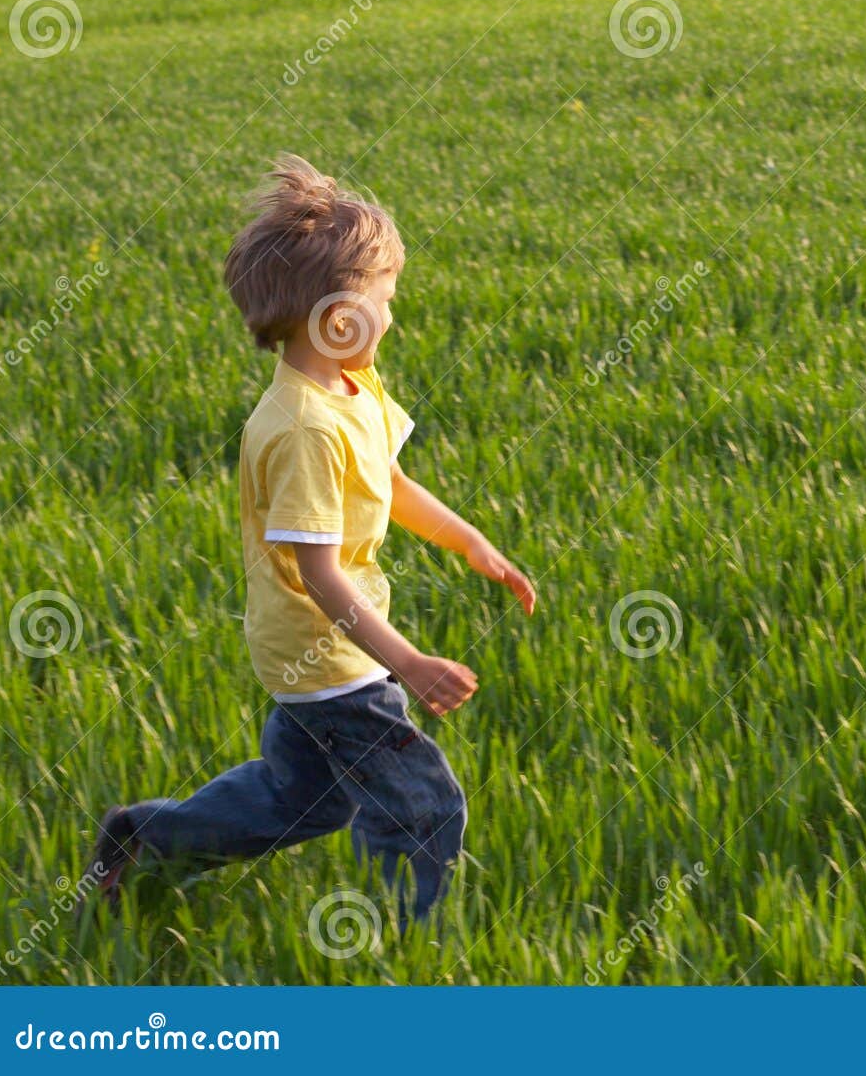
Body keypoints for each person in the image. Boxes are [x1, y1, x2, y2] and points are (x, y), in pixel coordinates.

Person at [84, 154, 536, 932]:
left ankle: (143, 836)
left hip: (318, 655)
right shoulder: (302, 428)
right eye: (382, 299)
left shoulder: (354, 389)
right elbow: (318, 571)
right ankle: (400, 946)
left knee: (300, 802)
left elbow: (387, 482)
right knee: (424, 807)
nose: (391, 316)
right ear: (331, 315)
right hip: (326, 662)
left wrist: (470, 542)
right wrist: (411, 664)